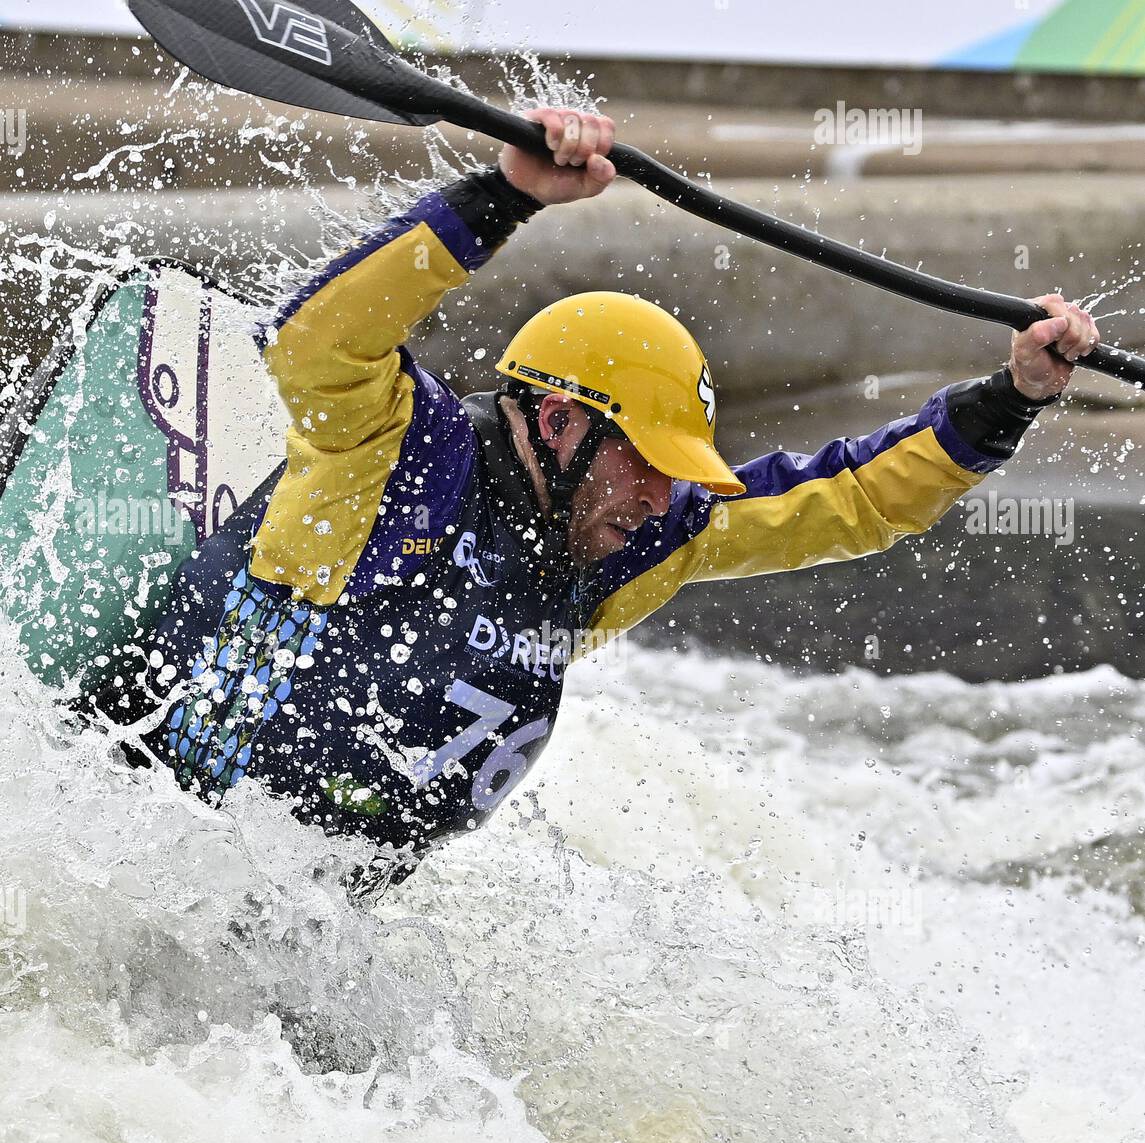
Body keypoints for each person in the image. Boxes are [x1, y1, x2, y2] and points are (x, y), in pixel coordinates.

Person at [113, 106, 1100, 890]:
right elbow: (313, 343)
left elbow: (857, 500)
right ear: (555, 422)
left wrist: (1006, 398)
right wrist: (501, 198)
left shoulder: (642, 539)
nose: (665, 490)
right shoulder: (392, 453)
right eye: (646, 458)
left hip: (319, 914)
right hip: (144, 841)